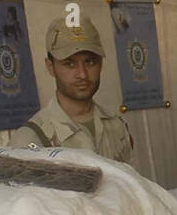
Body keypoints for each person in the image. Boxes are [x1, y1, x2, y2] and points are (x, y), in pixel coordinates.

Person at [8, 15, 134, 163]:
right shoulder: (30, 141)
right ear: (50, 67)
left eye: (90, 62)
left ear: (101, 64)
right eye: (70, 64)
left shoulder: (116, 127)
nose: (82, 74)